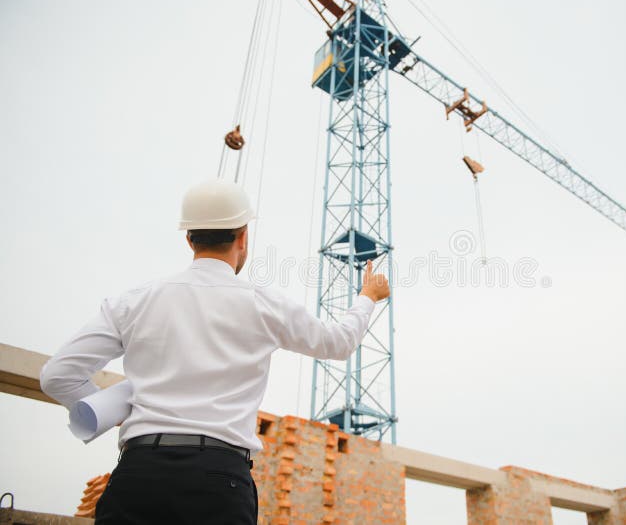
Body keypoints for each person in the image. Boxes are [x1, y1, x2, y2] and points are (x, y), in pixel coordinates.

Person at [39, 179, 390, 525]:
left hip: (140, 473)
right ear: (243, 237)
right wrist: (367, 297)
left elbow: (57, 376)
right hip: (220, 480)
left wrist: (114, 412)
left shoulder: (134, 301)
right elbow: (338, 342)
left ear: (188, 237)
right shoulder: (262, 303)